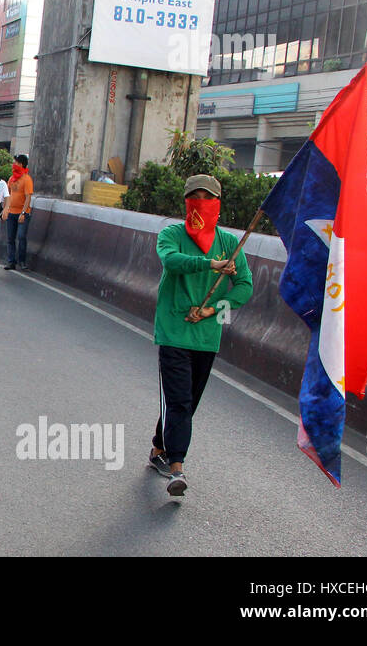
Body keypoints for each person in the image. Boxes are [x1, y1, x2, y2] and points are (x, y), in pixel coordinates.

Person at [148, 174, 253, 497]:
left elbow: (245, 286)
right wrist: (211, 264)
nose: (200, 204)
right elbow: (172, 261)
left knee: (185, 404)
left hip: (207, 336)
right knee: (178, 402)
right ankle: (176, 468)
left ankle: (158, 448)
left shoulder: (230, 244)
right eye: (195, 197)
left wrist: (212, 310)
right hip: (173, 332)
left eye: (207, 198)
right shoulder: (172, 234)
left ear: (217, 205)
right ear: (185, 202)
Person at [4, 154, 33, 271]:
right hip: (11, 212)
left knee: (21, 237)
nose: (13, 165)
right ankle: (11, 262)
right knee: (10, 238)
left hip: (22, 213)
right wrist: (5, 209)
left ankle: (22, 261)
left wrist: (23, 213)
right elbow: (8, 195)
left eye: (15, 162)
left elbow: (28, 198)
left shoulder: (27, 179)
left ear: (21, 164)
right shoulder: (11, 179)